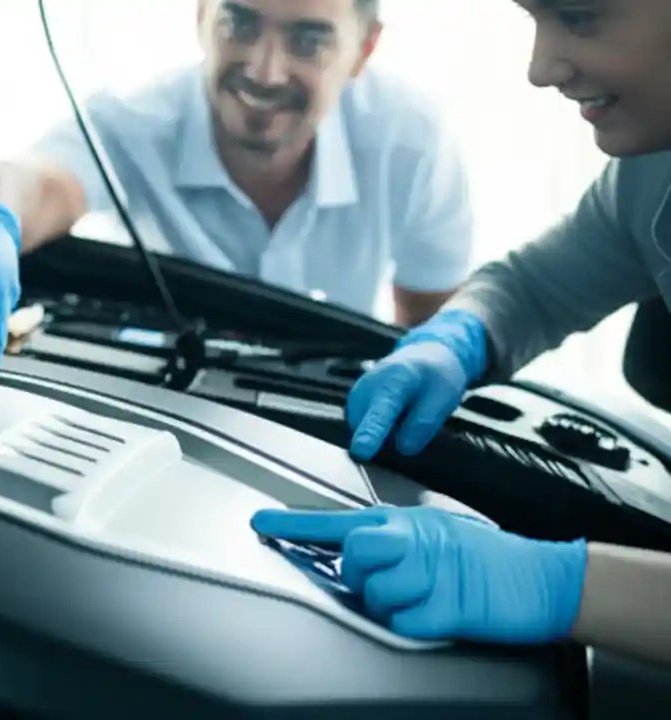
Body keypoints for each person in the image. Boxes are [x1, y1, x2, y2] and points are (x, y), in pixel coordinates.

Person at [255, 0, 671, 666]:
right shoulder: (653, 174)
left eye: (581, 17)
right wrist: (452, 339)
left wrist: (560, 587)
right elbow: (533, 287)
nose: (541, 68)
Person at [0, 0, 475, 383]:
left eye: (308, 41)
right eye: (239, 23)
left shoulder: (412, 144)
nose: (265, 71)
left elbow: (427, 336)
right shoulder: (135, 122)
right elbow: (38, 179)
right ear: (201, 16)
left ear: (363, 50)